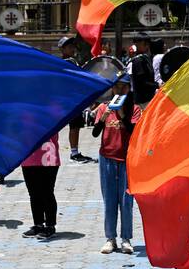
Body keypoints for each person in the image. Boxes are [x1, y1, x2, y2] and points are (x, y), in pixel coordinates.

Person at [91, 75, 137, 253]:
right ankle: (110, 238)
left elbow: (134, 132)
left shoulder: (133, 109)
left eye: (123, 87)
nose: (120, 90)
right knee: (109, 200)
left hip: (126, 160)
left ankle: (126, 238)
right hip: (107, 158)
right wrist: (104, 117)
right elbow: (95, 133)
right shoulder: (104, 107)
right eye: (116, 87)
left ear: (128, 89)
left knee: (126, 201)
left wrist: (124, 116)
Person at [56, 37, 95, 163]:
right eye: (69, 47)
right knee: (74, 125)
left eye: (72, 46)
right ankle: (74, 153)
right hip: (70, 99)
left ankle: (75, 151)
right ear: (62, 49)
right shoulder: (67, 62)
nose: (72, 49)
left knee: (76, 125)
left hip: (72, 98)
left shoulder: (70, 61)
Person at [21, 130, 61, 239]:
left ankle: (50, 226)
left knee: (47, 192)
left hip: (48, 154)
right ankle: (38, 224)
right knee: (33, 193)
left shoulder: (50, 112)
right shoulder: (21, 114)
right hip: (28, 156)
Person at [128, 33, 158, 106]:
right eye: (144, 43)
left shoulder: (145, 58)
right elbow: (142, 82)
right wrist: (157, 85)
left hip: (148, 97)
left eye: (147, 43)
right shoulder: (138, 60)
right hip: (143, 100)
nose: (147, 45)